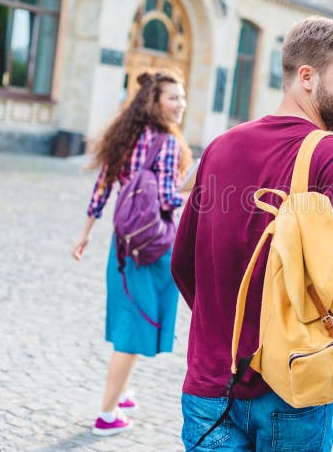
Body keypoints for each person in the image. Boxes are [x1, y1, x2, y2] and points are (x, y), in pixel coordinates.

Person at [171, 16, 333, 450]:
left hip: (210, 385)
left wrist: (227, 329)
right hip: (292, 386)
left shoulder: (221, 146)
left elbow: (183, 264)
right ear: (306, 76)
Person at [71, 70, 193, 436]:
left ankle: (121, 393)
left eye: (183, 97)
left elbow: (103, 185)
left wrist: (86, 233)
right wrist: (194, 189)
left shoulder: (126, 137)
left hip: (124, 244)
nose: (180, 104)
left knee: (130, 316)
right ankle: (106, 415)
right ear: (155, 102)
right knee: (134, 328)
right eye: (173, 97)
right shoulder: (168, 143)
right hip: (153, 246)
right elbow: (168, 198)